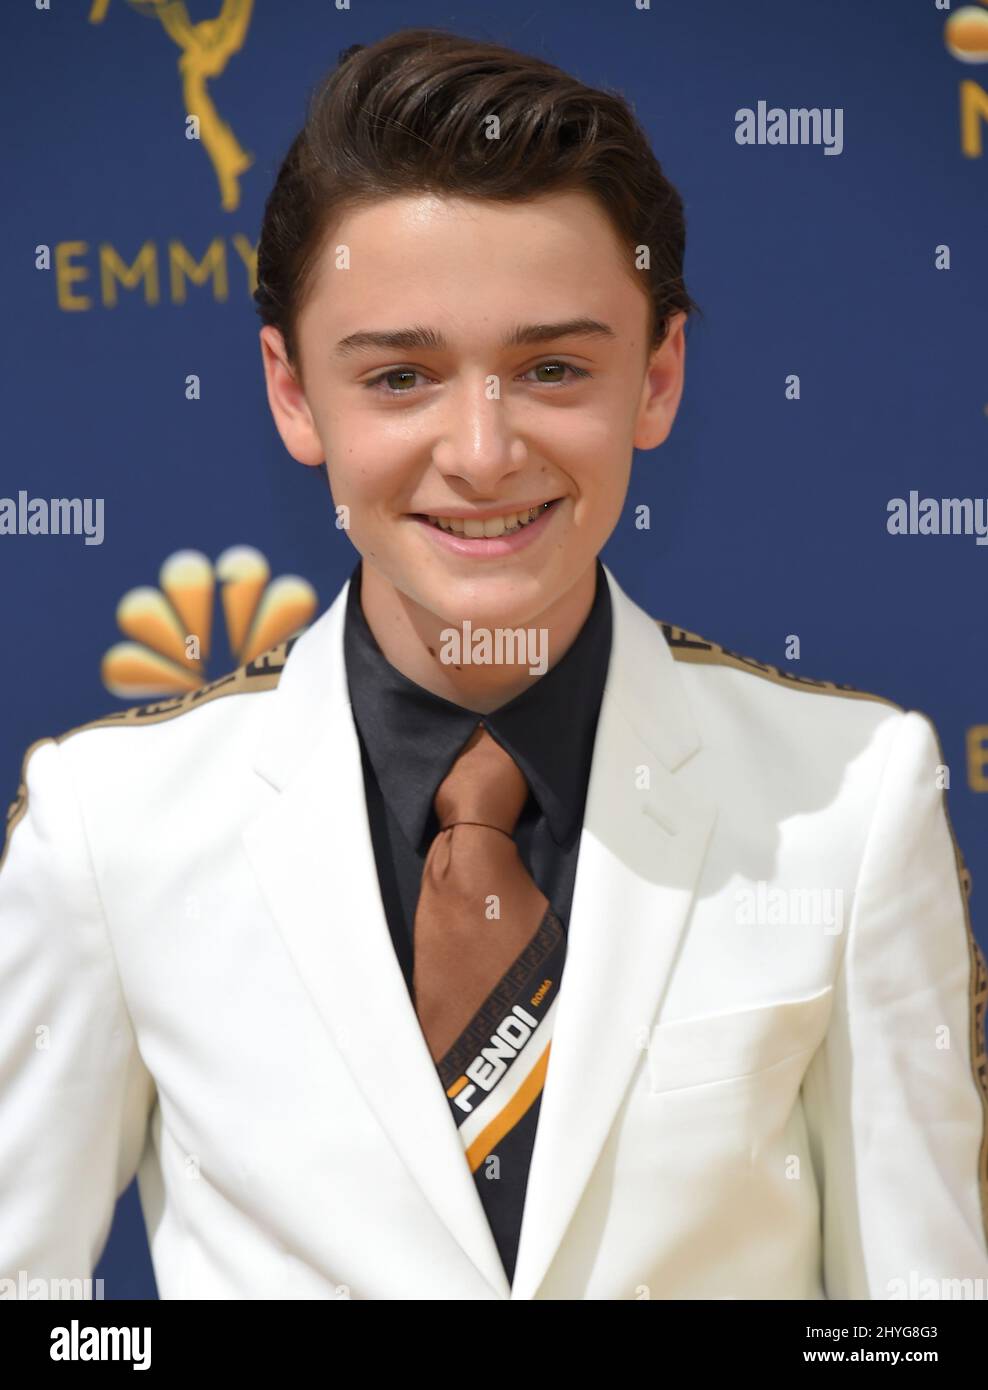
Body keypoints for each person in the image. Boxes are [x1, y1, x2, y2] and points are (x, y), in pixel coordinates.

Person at [1, 26, 986, 1302]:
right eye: (402, 375)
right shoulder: (110, 830)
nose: (480, 450)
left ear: (659, 375)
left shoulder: (849, 802)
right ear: (293, 393)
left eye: (553, 368)